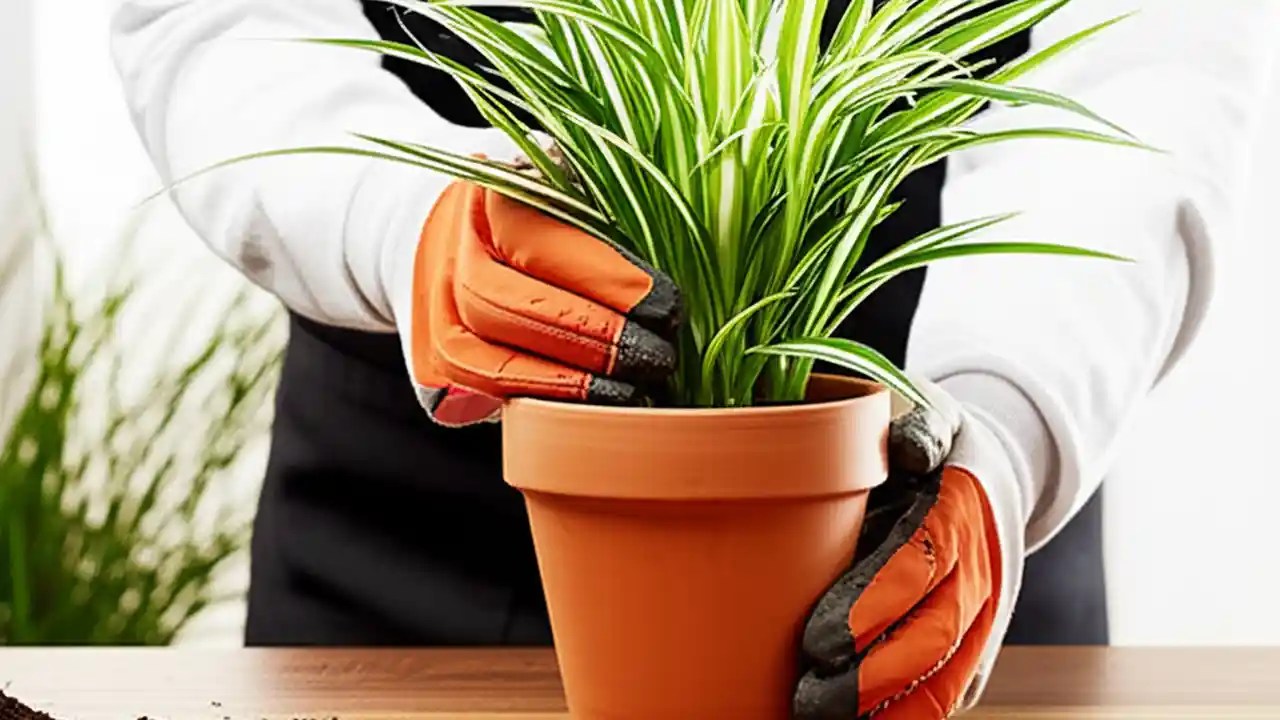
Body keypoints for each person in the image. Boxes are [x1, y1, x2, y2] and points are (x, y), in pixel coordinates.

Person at [111, 1, 1278, 717]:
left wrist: (1014, 423)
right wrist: (384, 217)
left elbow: (1147, 60)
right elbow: (213, 18)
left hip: (935, 504)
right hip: (407, 509)